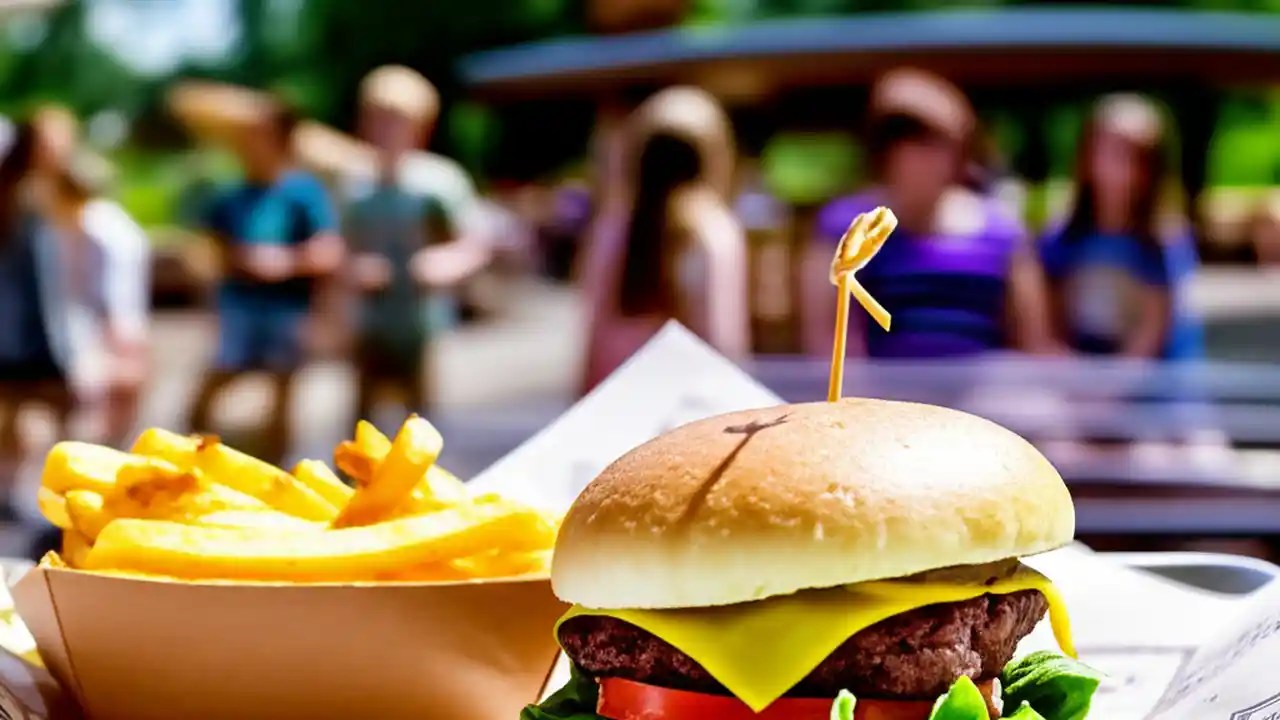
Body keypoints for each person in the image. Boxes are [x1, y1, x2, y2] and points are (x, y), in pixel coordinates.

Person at [800, 69, 1054, 360]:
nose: (911, 152)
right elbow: (831, 348)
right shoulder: (845, 228)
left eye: (928, 139)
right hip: (884, 396)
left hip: (985, 398)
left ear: (959, 149)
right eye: (898, 136)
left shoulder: (1001, 230)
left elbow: (1034, 344)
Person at [187, 100, 344, 464]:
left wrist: (284, 262)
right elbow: (208, 250)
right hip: (239, 305)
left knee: (283, 390)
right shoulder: (229, 195)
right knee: (219, 377)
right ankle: (190, 455)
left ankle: (277, 468)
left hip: (286, 308)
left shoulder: (304, 194)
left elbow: (328, 250)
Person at [579, 86, 749, 394]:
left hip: (617, 396)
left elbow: (593, 331)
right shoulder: (714, 230)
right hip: (685, 402)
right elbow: (723, 336)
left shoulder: (614, 227)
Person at [344, 65, 489, 422]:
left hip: (423, 321)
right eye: (377, 120)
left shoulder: (439, 182)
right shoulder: (353, 185)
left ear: (420, 127)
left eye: (396, 121)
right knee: (363, 421)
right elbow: (336, 246)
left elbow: (476, 243)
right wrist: (352, 268)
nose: (385, 131)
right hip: (369, 321)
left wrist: (446, 262)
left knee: (421, 418)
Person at [1039, 94, 1204, 361]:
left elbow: (1151, 335)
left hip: (1153, 388)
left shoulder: (1164, 241)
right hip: (1078, 379)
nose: (1121, 169)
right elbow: (1050, 323)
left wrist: (1112, 392)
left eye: (1135, 158)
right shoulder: (1062, 237)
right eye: (1110, 153)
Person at [38, 151, 151, 448]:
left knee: (100, 410)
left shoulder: (104, 232)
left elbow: (118, 293)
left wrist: (123, 346)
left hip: (104, 330)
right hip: (81, 326)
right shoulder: (65, 226)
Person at [0, 123, 70, 498]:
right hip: (29, 332)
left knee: (14, 416)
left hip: (13, 330)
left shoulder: (17, 194)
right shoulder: (29, 198)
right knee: (56, 414)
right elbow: (40, 281)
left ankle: (13, 490)